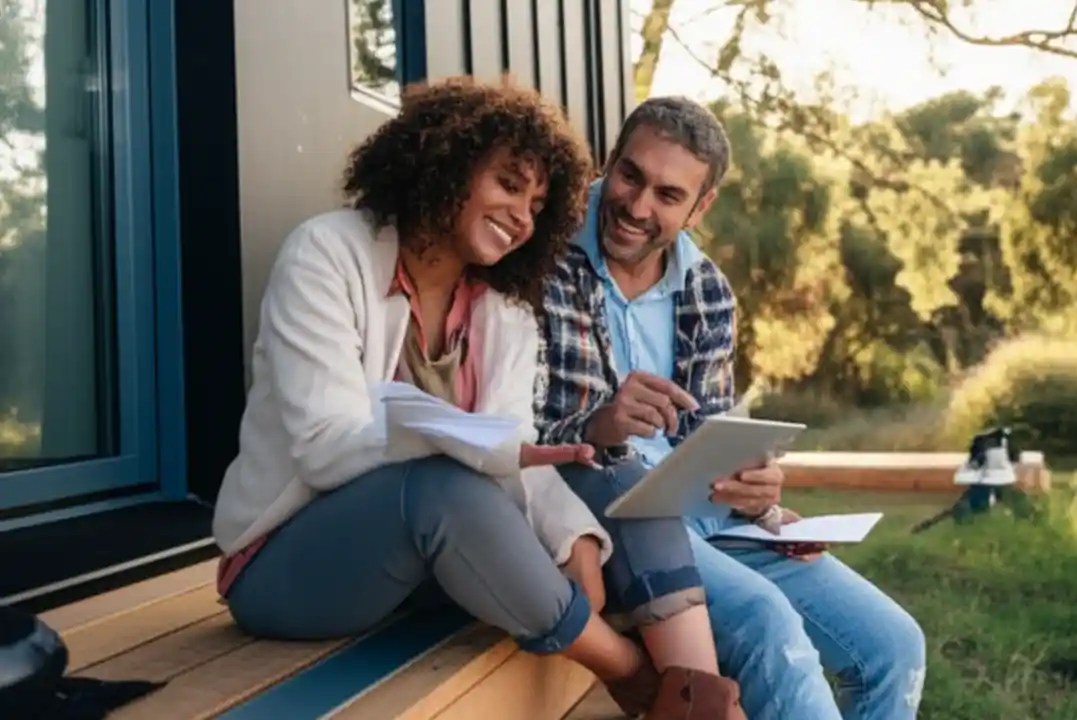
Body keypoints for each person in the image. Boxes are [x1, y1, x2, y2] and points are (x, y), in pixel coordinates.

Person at [209, 76, 737, 719]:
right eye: (508, 185)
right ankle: (632, 676)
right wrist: (452, 439)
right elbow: (325, 451)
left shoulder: (502, 308)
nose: (523, 216)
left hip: (429, 570)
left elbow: (512, 451)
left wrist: (578, 540)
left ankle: (698, 699)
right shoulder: (326, 255)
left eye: (538, 203)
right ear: (449, 165)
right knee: (443, 486)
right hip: (288, 563)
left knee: (626, 489)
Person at [536, 95, 929, 720]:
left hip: (704, 522)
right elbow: (510, 425)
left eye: (668, 196)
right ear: (610, 162)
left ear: (700, 207)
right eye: (630, 176)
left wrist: (755, 493)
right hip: (608, 520)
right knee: (769, 623)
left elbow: (705, 432)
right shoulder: (543, 251)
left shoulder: (707, 289)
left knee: (893, 645)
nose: (637, 207)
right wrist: (600, 423)